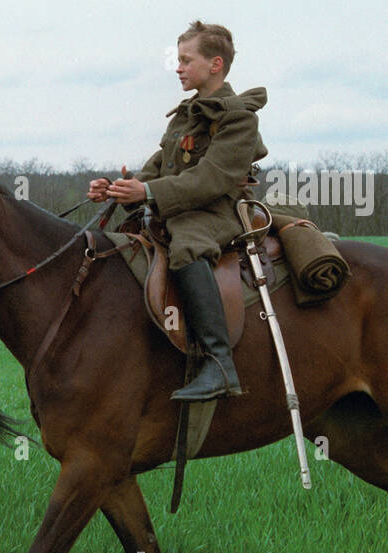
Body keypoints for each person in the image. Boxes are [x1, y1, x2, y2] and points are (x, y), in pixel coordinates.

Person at [89, 20, 268, 401]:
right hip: (182, 206)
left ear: (215, 64)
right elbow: (160, 167)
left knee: (186, 243)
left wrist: (149, 190)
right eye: (178, 60)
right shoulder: (186, 115)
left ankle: (220, 365)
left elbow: (211, 178)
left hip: (218, 211)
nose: (178, 67)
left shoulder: (239, 117)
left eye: (187, 60)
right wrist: (119, 189)